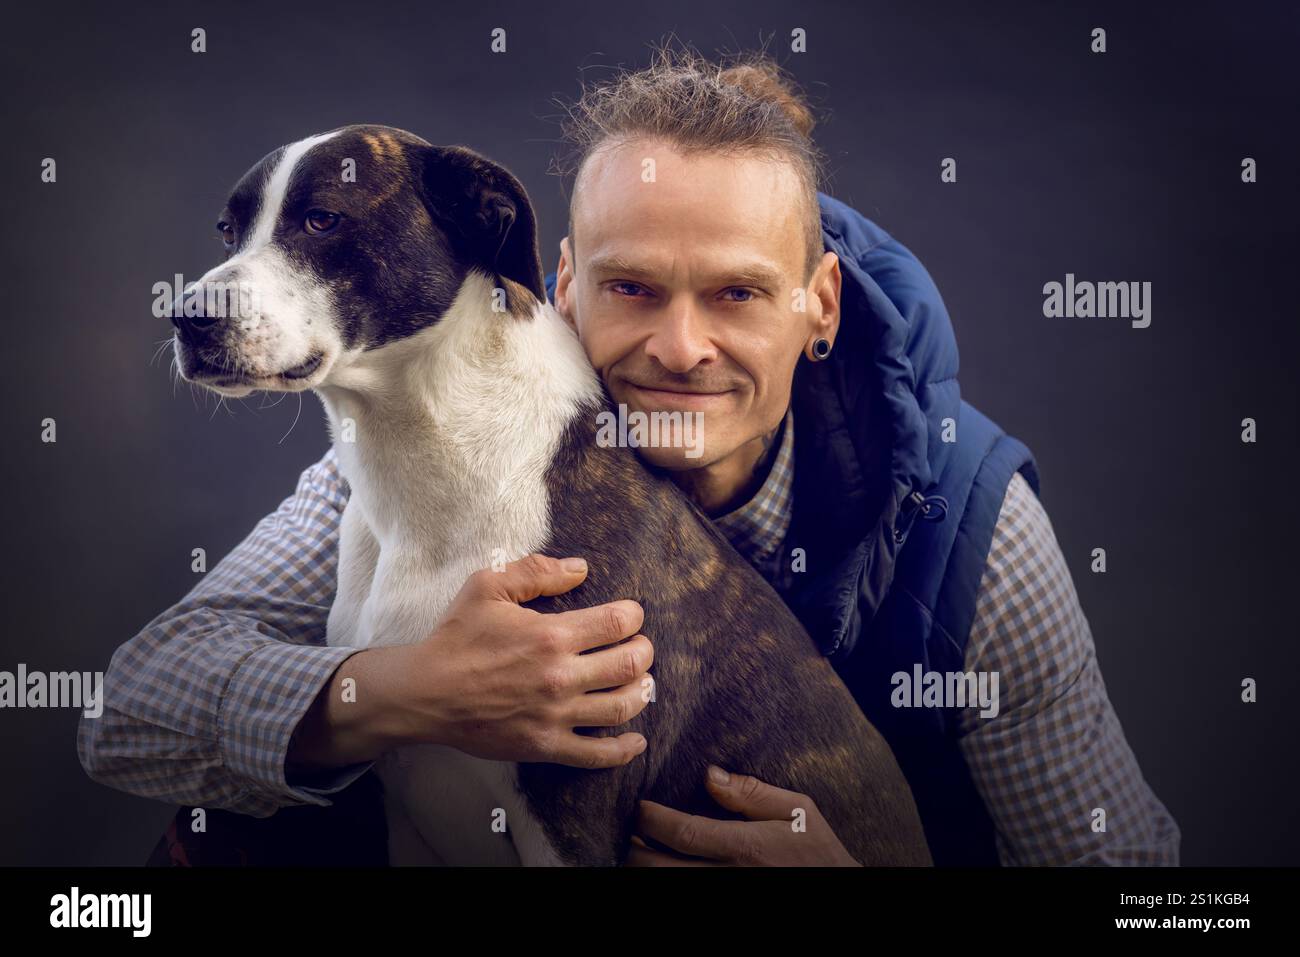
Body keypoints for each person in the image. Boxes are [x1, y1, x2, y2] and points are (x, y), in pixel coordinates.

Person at [79, 46, 1179, 866]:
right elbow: (128, 715)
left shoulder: (970, 531)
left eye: (738, 294)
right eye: (631, 288)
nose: (680, 347)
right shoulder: (429, 456)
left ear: (821, 307)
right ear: (555, 287)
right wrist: (399, 690)